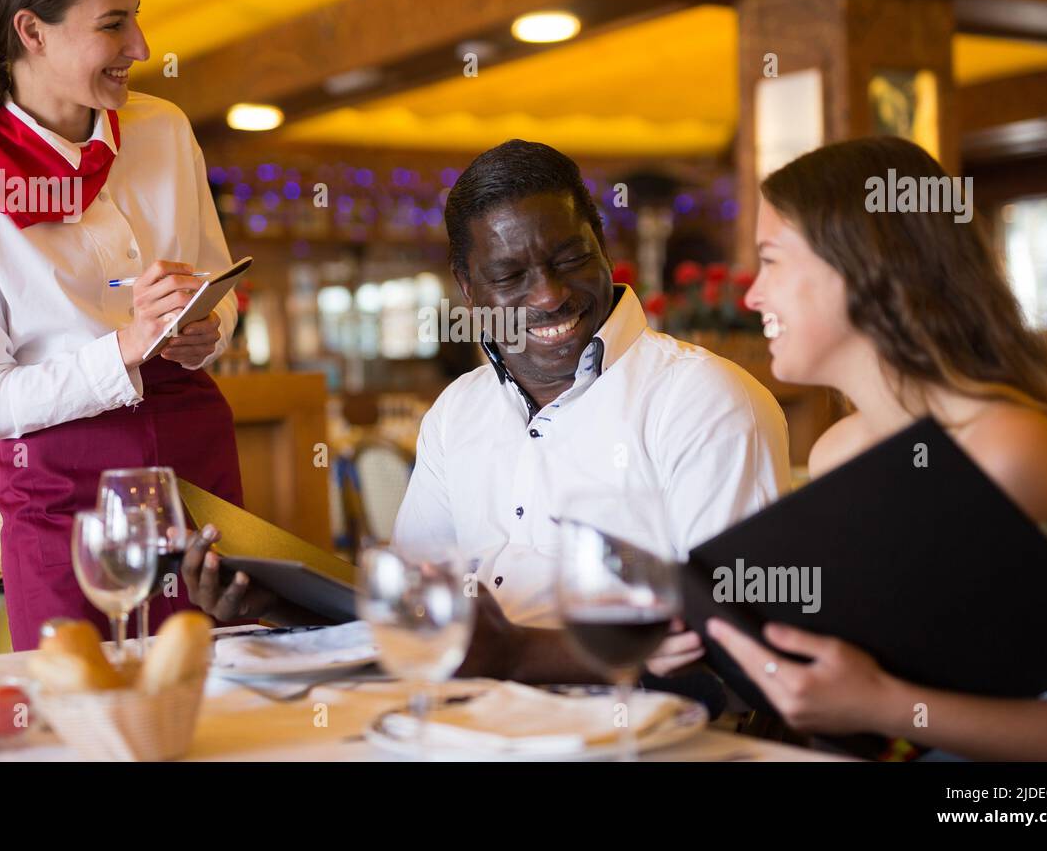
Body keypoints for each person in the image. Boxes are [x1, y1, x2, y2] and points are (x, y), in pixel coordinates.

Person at [184, 139, 791, 683]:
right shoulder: (458, 410)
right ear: (468, 289)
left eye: (569, 259)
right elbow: (417, 607)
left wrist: (514, 655)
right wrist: (273, 604)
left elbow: (730, 638)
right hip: (472, 721)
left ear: (602, 248)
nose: (549, 295)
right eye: (510, 275)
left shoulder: (706, 402)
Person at [691, 135, 1047, 759]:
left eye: (772, 260)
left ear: (861, 267)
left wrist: (877, 705)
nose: (753, 296)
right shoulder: (840, 449)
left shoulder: (1009, 451)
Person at [0, 0, 242, 651]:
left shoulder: (164, 130)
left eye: (138, 21)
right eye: (114, 25)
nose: (142, 48)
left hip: (196, 467)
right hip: (64, 496)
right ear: (32, 31)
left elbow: (221, 282)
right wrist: (123, 348)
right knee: (73, 718)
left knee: (219, 700)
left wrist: (208, 327)